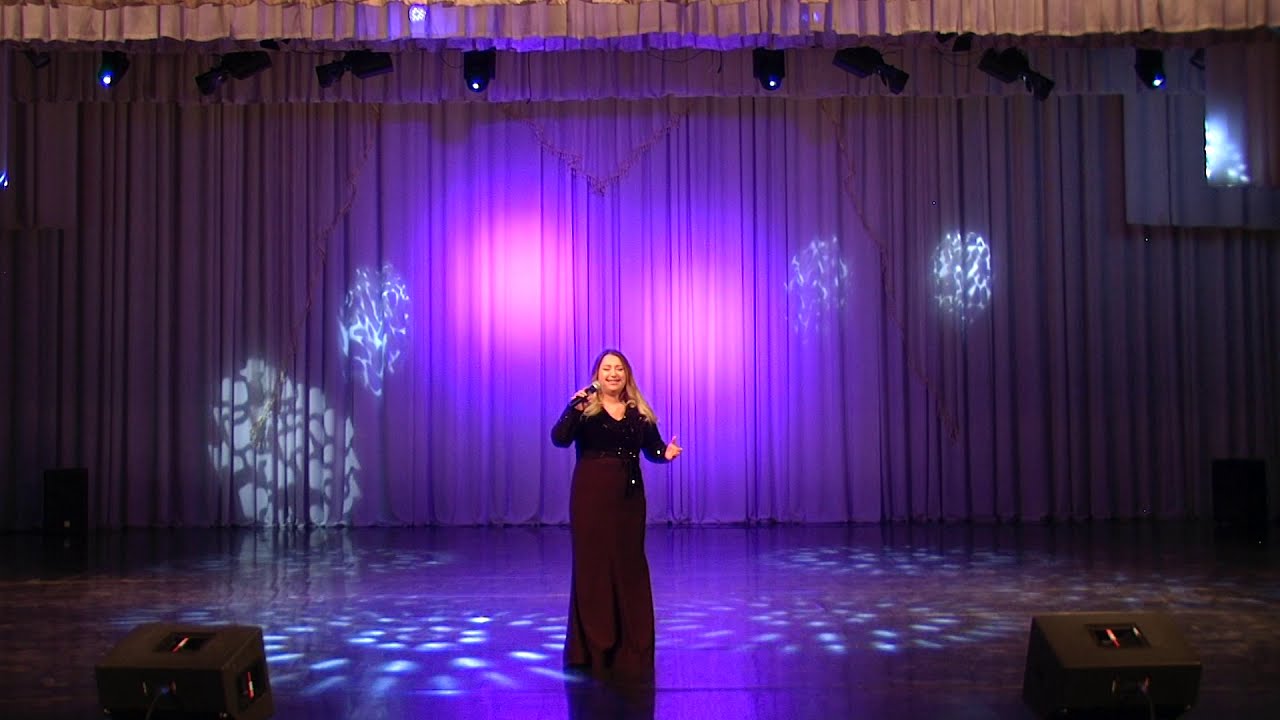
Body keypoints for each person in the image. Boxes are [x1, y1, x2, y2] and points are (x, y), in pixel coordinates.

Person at [550, 349, 682, 679]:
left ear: (627, 375)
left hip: (629, 499)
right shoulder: (585, 411)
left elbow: (653, 449)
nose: (613, 374)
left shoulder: (638, 413)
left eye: (619, 369)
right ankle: (594, 646)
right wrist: (572, 408)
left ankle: (630, 644)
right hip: (591, 497)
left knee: (628, 565)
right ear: (597, 375)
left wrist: (665, 453)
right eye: (607, 368)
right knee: (593, 566)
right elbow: (559, 439)